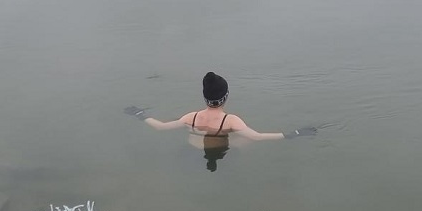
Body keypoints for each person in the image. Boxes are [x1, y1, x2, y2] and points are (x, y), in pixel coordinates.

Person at [126, 72, 312, 143]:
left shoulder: (191, 117)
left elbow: (160, 127)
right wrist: (293, 134)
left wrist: (140, 114)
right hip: (219, 153)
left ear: (204, 97)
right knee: (243, 142)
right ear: (226, 96)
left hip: (190, 153)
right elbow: (257, 137)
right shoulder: (231, 120)